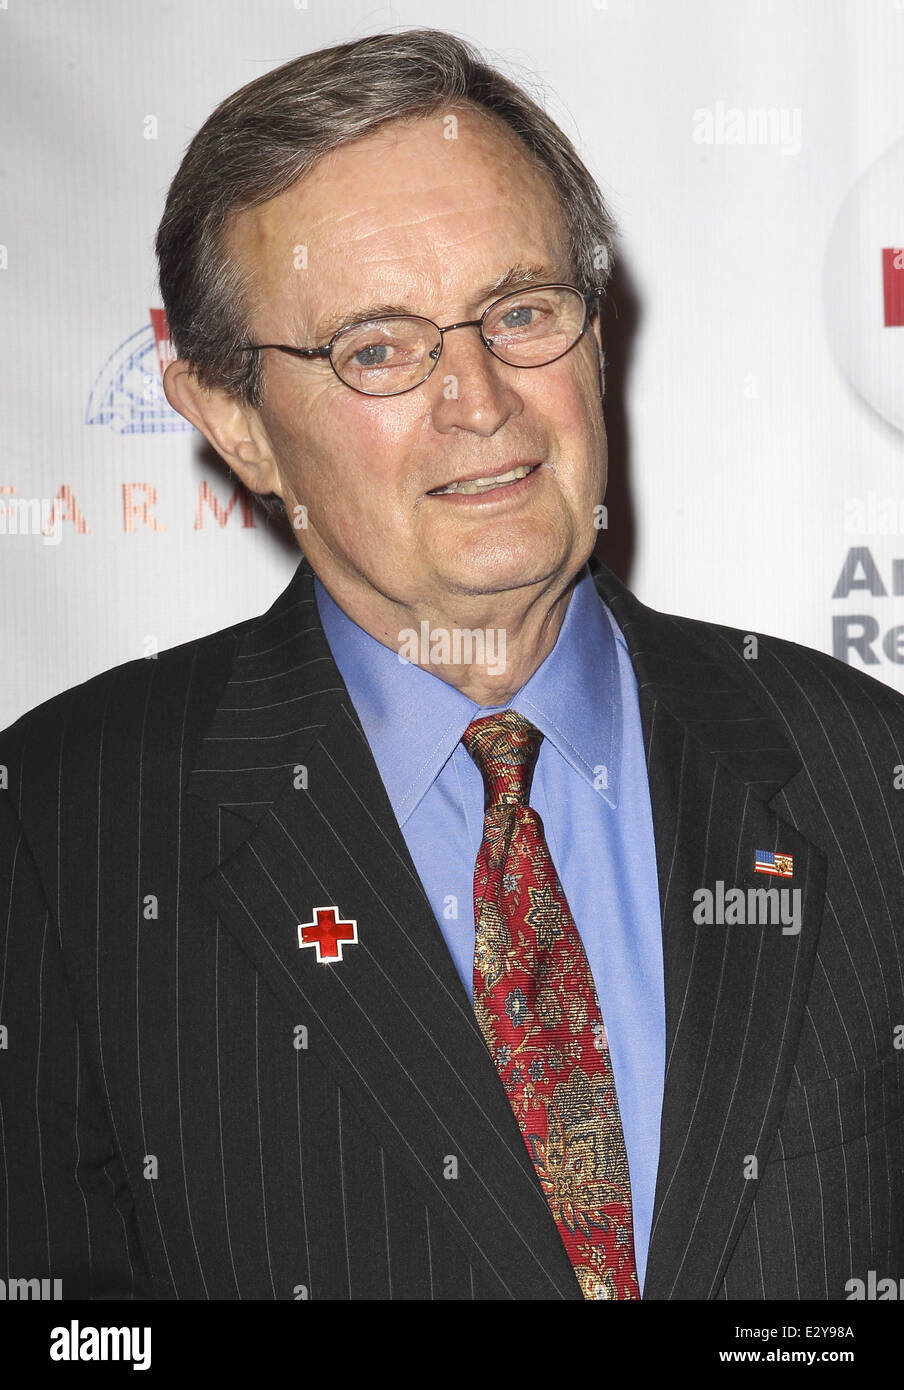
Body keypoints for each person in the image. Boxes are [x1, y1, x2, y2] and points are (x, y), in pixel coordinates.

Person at [1, 28, 901, 1302]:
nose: (479, 397)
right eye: (377, 347)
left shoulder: (866, 772)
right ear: (233, 421)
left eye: (521, 312)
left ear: (597, 331)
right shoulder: (59, 831)